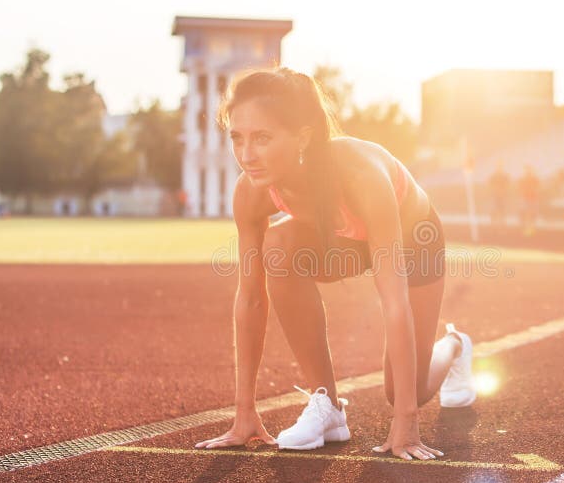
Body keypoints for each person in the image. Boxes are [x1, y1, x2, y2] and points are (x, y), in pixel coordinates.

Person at [194, 68, 476, 461]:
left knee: (403, 390)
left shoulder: (360, 175)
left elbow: (394, 304)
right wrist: (245, 414)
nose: (246, 155)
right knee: (279, 245)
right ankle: (327, 407)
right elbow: (251, 300)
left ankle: (454, 346)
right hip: (339, 238)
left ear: (303, 137)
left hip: (413, 239)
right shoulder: (251, 192)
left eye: (262, 138)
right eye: (237, 138)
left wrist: (406, 419)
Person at [518, 164, 539, 235]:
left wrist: (533, 190)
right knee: (524, 212)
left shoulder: (534, 178)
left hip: (533, 197)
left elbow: (537, 187)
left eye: (529, 170)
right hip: (525, 197)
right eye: (527, 170)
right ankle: (524, 228)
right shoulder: (523, 179)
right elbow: (520, 188)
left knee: (532, 213)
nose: (528, 172)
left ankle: (532, 228)